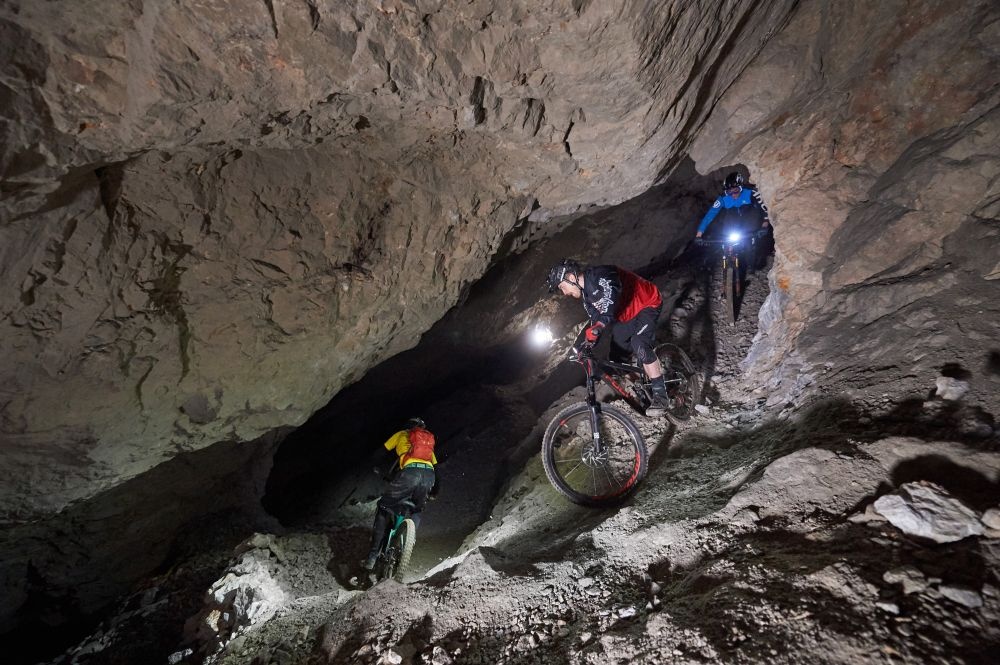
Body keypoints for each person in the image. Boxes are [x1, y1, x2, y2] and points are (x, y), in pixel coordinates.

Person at [546, 259, 670, 417]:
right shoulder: (587, 298)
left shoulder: (602, 274)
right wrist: (587, 344)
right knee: (617, 357)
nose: (564, 293)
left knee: (639, 343)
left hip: (647, 304)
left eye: (562, 288)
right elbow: (596, 320)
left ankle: (661, 396)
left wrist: (599, 325)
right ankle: (641, 384)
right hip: (627, 317)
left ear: (571, 278)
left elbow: (611, 299)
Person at [362, 417, 437, 572]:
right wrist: (435, 491)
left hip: (409, 473)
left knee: (384, 507)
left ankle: (372, 556)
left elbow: (380, 453)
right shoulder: (427, 444)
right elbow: (436, 468)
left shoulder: (402, 434)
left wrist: (374, 466)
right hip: (429, 476)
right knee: (417, 509)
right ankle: (409, 542)